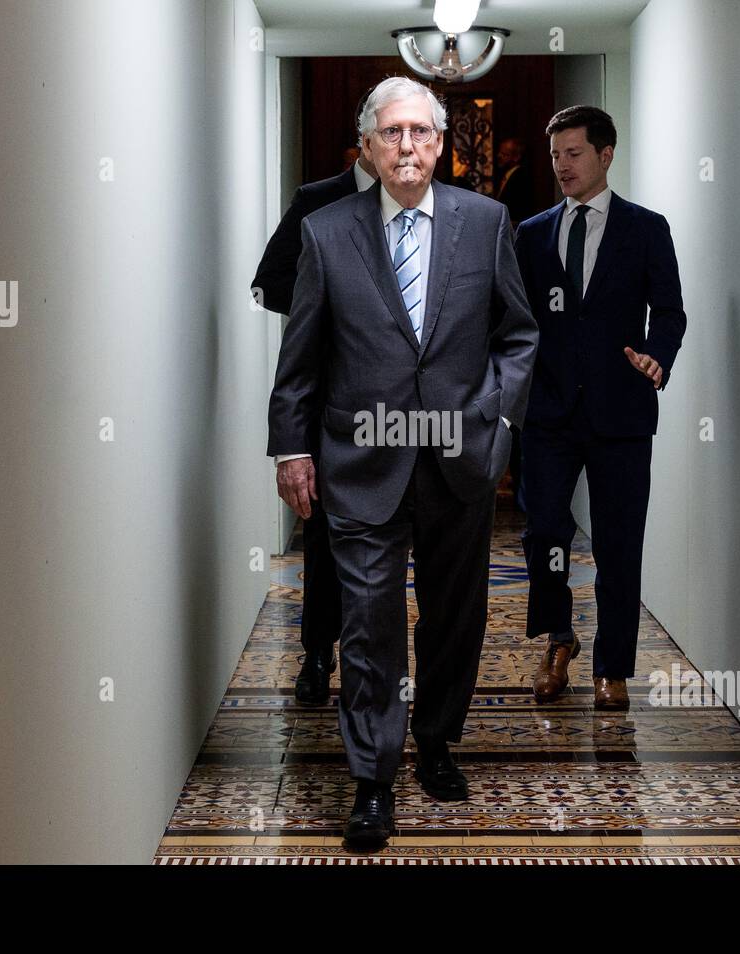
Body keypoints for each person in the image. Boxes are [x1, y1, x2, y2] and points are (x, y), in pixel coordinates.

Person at [267, 76, 537, 851]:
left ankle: (439, 742)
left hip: (460, 458)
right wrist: (292, 447)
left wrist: (498, 416)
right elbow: (302, 359)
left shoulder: (486, 223)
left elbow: (518, 336)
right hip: (359, 462)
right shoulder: (325, 231)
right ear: (369, 146)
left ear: (442, 143)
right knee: (369, 624)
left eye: (421, 132)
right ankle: (373, 779)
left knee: (456, 617)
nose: (408, 146)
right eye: (392, 134)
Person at [513, 105, 687, 710]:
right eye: (556, 154)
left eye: (574, 153)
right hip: (548, 416)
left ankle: (613, 665)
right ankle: (559, 640)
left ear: (605, 156)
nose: (562, 165)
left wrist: (657, 357)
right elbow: (516, 321)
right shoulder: (532, 234)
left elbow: (669, 311)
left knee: (618, 543)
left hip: (621, 413)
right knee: (545, 533)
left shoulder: (646, 229)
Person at [251, 102, 378, 706]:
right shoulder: (316, 199)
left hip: (409, 403)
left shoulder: (430, 202)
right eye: (387, 135)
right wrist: (324, 304)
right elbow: (267, 281)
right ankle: (316, 656)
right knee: (325, 533)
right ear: (362, 144)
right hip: (332, 390)